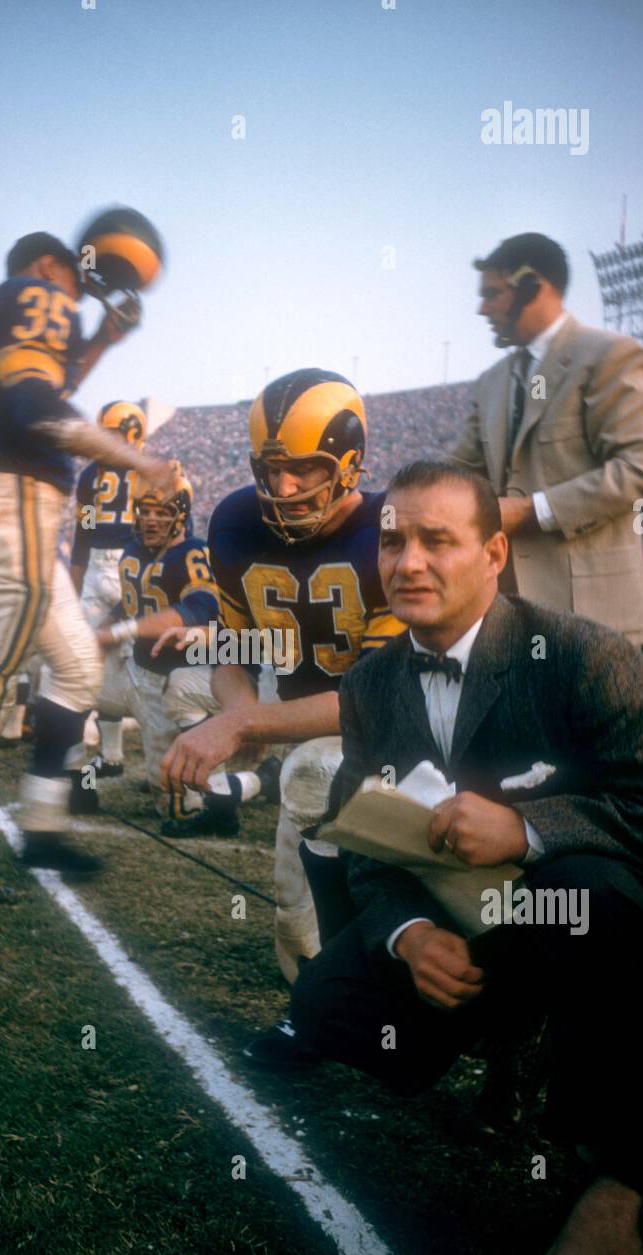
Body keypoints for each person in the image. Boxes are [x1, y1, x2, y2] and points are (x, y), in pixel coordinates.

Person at [289, 459, 643, 1255]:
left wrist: (530, 830)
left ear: (495, 554)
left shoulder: (581, 653)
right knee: (325, 1008)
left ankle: (614, 1171)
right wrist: (409, 933)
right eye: (393, 541)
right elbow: (362, 837)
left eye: (438, 540)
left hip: (579, 920)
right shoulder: (369, 682)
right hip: (463, 925)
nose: (408, 562)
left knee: (594, 900)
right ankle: (502, 1033)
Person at [0, 230, 173, 910]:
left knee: (76, 661)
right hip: (10, 507)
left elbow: (42, 381)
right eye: (74, 280)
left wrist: (103, 337)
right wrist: (141, 461)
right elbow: (38, 407)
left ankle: (43, 828)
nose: (75, 294)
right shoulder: (42, 294)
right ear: (48, 265)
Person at [161, 368, 403, 990]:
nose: (282, 486)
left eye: (303, 468)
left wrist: (244, 720)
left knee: (318, 775)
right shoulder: (238, 523)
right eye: (269, 470)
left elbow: (369, 700)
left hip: (402, 739)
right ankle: (322, 997)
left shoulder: (391, 531)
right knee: (296, 917)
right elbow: (233, 655)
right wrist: (238, 714)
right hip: (301, 725)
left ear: (349, 462)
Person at [450, 232, 643, 645]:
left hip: (595, 623)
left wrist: (529, 511)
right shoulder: (491, 383)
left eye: (493, 294)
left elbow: (641, 470)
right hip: (508, 620)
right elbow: (455, 472)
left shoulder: (610, 355)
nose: (483, 308)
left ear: (533, 286)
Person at [73, 466, 226, 819]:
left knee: (176, 802)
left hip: (179, 676)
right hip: (139, 673)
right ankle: (79, 784)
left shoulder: (191, 553)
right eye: (144, 511)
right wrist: (108, 626)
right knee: (69, 685)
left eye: (162, 513)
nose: (150, 520)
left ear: (181, 516)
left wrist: (121, 632)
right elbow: (129, 600)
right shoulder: (133, 552)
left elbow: (199, 607)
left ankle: (242, 788)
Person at [70, 400, 148, 778]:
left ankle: (160, 762)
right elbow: (83, 531)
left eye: (112, 432)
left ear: (134, 432)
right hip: (98, 567)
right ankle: (111, 755)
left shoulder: (145, 474)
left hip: (130, 565)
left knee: (141, 663)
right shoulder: (89, 478)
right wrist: (75, 581)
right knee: (92, 659)